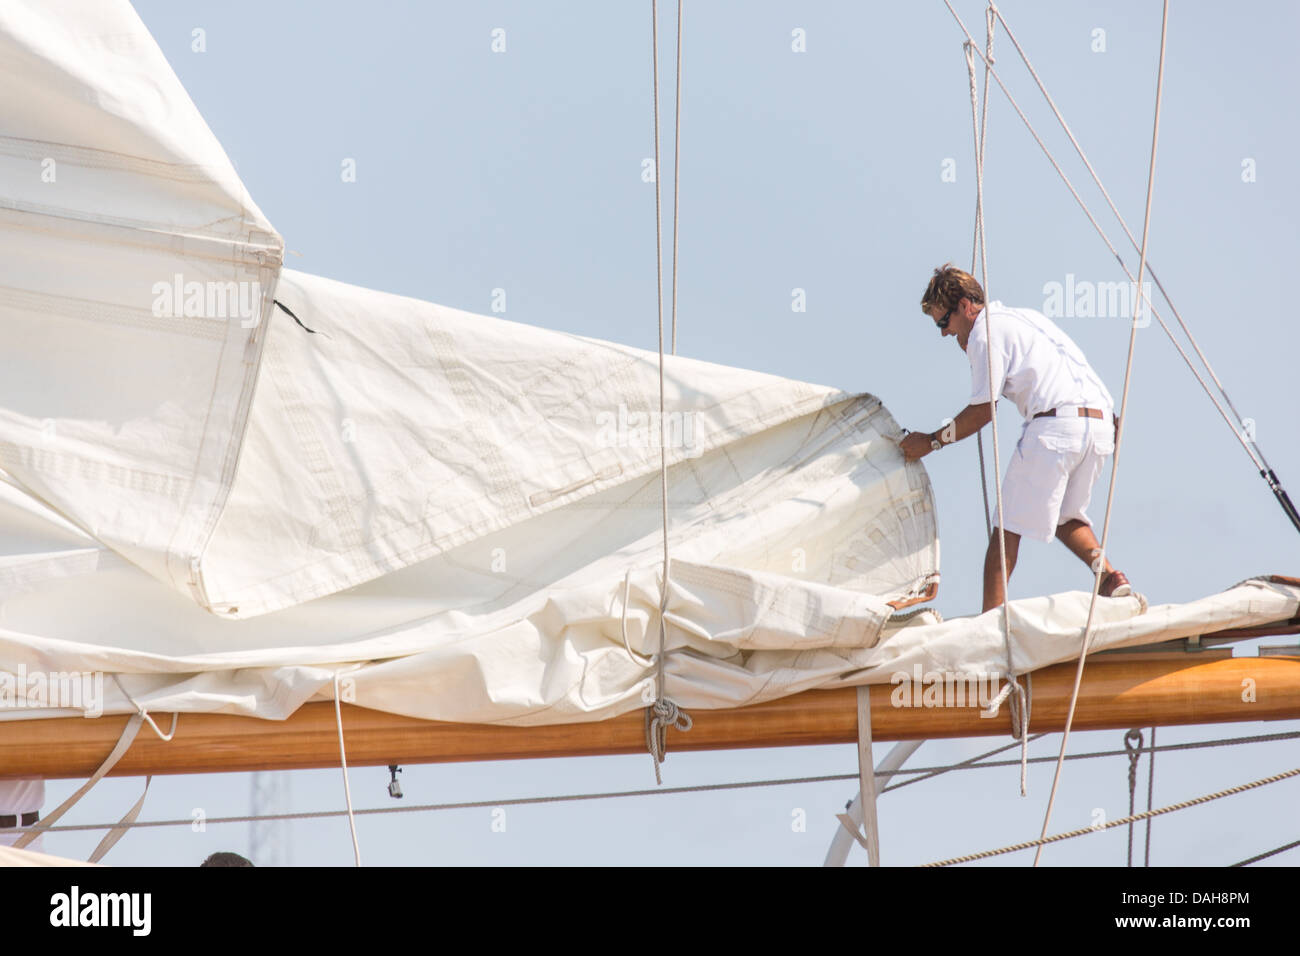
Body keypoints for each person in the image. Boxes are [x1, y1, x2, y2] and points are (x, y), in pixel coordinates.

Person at [900, 263, 1132, 612]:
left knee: (1005, 531)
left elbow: (982, 412)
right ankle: (1110, 577)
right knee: (1067, 515)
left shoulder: (984, 333)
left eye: (943, 322)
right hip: (1100, 427)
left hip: (1055, 427)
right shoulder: (1023, 318)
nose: (945, 334)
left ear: (965, 306)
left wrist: (931, 441)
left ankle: (990, 627)